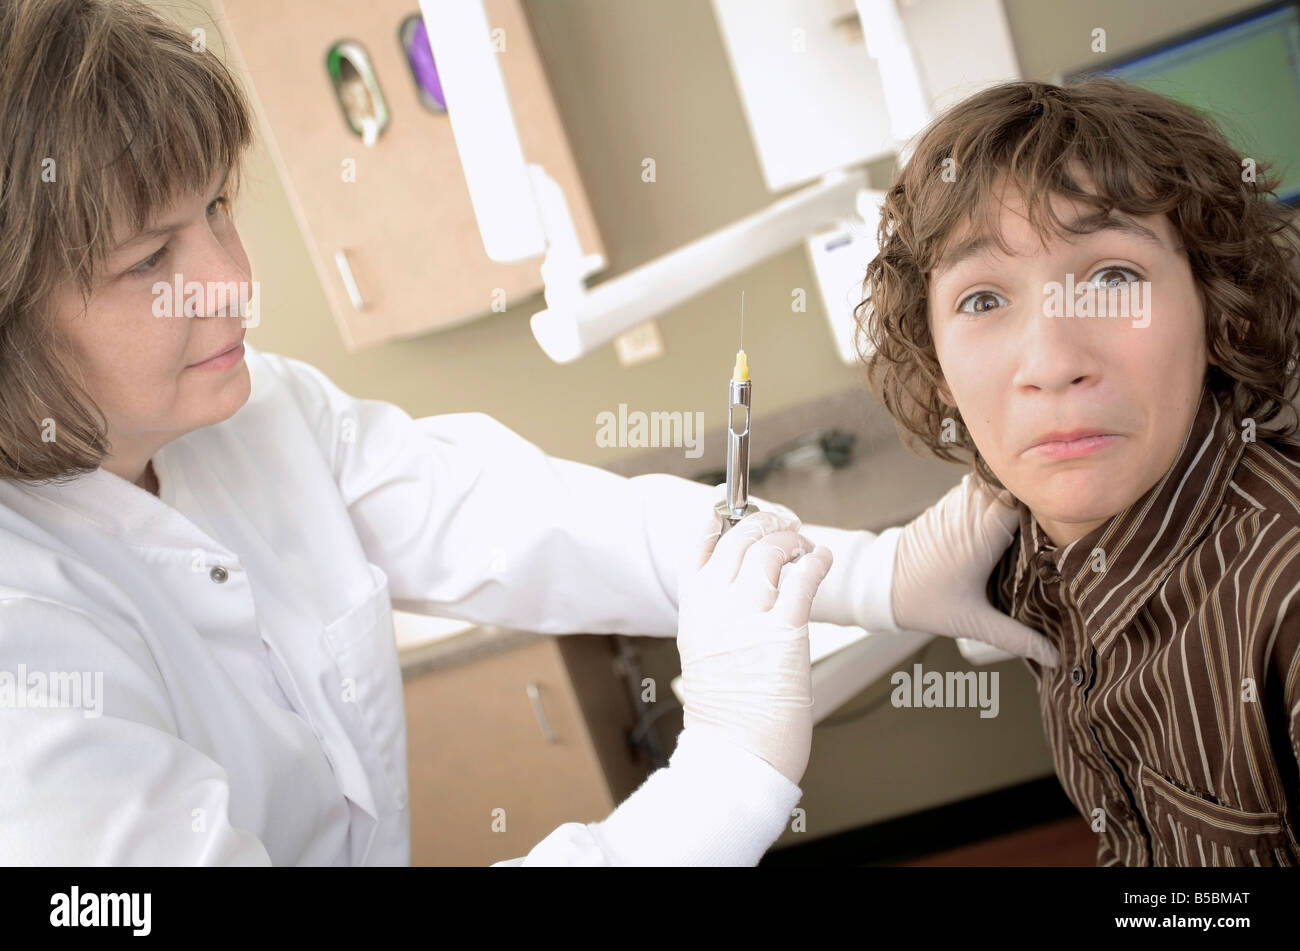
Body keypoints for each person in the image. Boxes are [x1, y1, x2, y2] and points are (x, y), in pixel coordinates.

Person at [0, 0, 1053, 865]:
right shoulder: (22, 663)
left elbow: (526, 522)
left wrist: (882, 573)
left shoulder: (253, 413)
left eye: (220, 210)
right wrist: (723, 776)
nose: (233, 282)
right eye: (150, 260)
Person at [859, 77, 1300, 865]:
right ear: (936, 369)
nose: (1052, 363)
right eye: (984, 298)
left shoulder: (1284, 595)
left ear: (1220, 309)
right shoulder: (1034, 553)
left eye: (1113, 279)